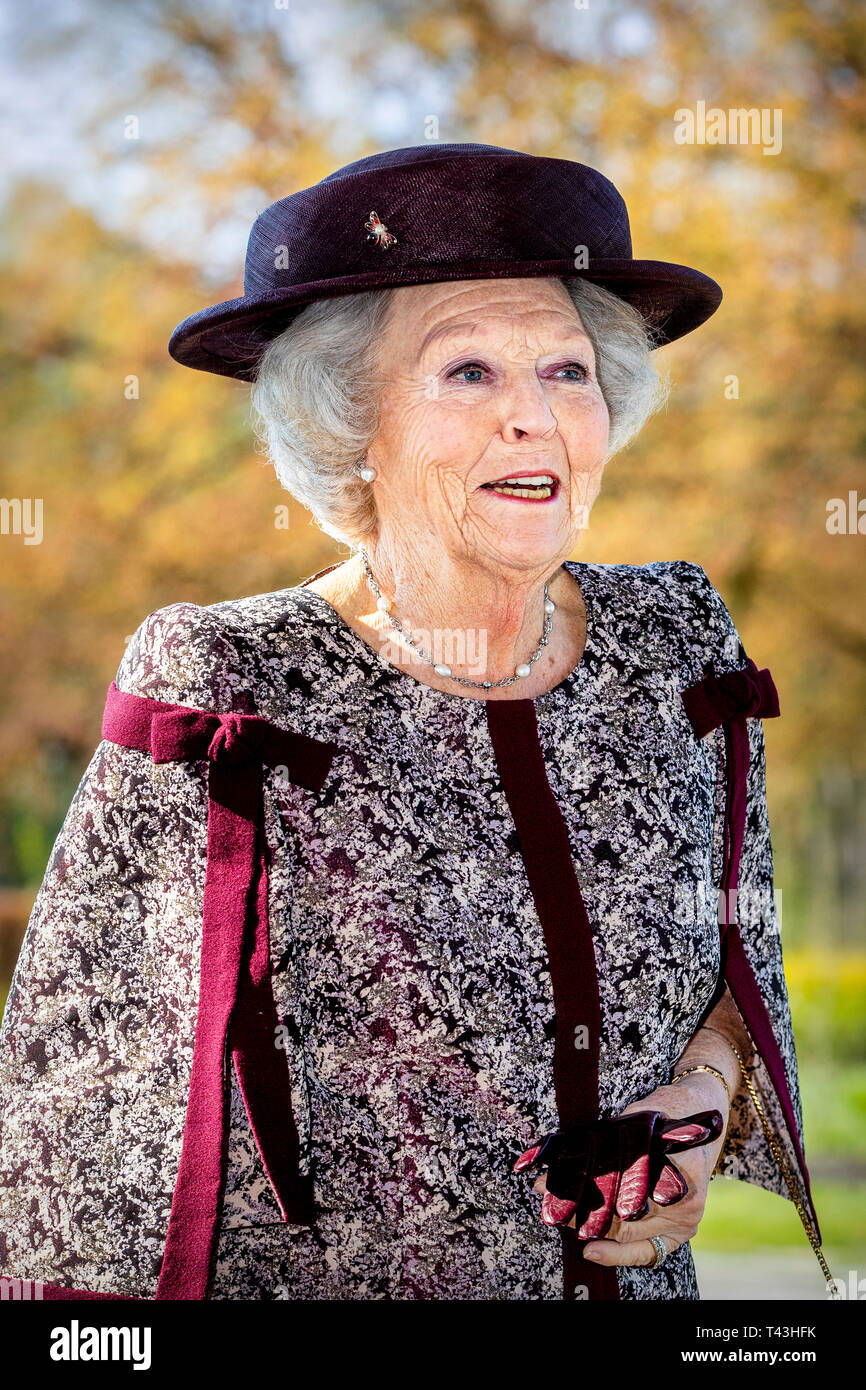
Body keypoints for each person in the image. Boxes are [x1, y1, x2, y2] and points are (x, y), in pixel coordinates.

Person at [0, 143, 822, 1301]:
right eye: (469, 372)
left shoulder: (676, 636)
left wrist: (695, 1102)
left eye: (566, 370)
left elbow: (733, 942)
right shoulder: (228, 680)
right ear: (351, 427)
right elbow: (81, 1092)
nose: (533, 418)